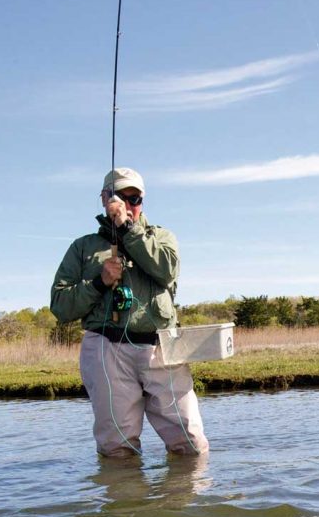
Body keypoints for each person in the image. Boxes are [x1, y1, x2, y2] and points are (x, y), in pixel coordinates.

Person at [51, 167, 209, 460]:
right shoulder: (82, 248)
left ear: (141, 201)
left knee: (190, 444)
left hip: (162, 349)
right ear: (103, 199)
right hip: (106, 349)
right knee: (117, 448)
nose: (127, 205)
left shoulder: (162, 237)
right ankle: (126, 504)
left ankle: (185, 504)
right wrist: (99, 282)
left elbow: (166, 270)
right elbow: (60, 306)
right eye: (118, 197)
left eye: (133, 198)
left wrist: (127, 229)